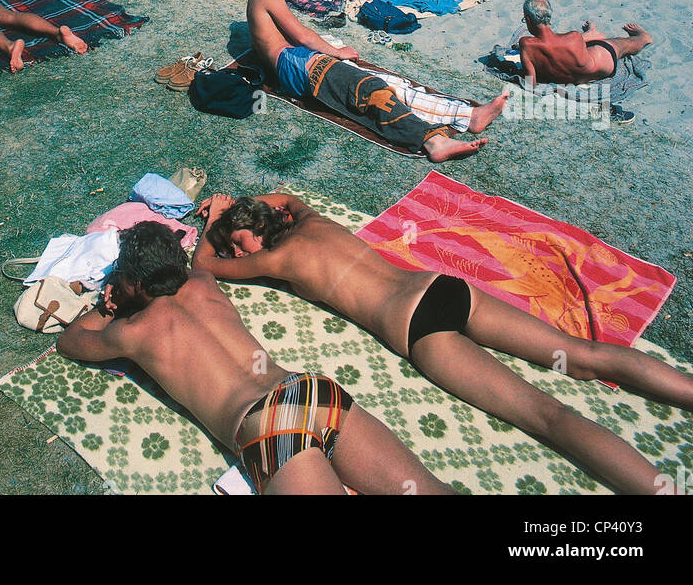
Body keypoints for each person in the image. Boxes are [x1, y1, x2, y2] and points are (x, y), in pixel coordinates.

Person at [193, 193, 693, 495]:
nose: (236, 251)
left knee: (550, 418)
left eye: (240, 241)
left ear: (260, 232)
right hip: (443, 288)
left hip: (416, 326)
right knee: (582, 356)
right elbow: (285, 198)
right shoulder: (312, 221)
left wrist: (213, 221)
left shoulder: (275, 261)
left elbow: (206, 269)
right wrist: (242, 211)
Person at [57, 221, 453, 496]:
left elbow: (72, 342)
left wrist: (110, 303)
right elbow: (199, 262)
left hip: (265, 425)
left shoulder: (131, 332)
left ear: (136, 284)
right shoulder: (203, 282)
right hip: (309, 390)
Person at [247, 0, 508, 161]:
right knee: (369, 91)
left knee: (388, 84)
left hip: (295, 63)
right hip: (295, 67)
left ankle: (467, 115)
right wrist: (336, 51)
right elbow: (301, 34)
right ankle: (432, 142)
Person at [518, 0, 651, 84]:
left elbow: (531, 83)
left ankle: (592, 33)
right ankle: (642, 38)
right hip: (600, 69)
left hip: (575, 78)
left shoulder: (526, 45)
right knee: (621, 44)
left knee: (581, 43)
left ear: (528, 20)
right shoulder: (573, 37)